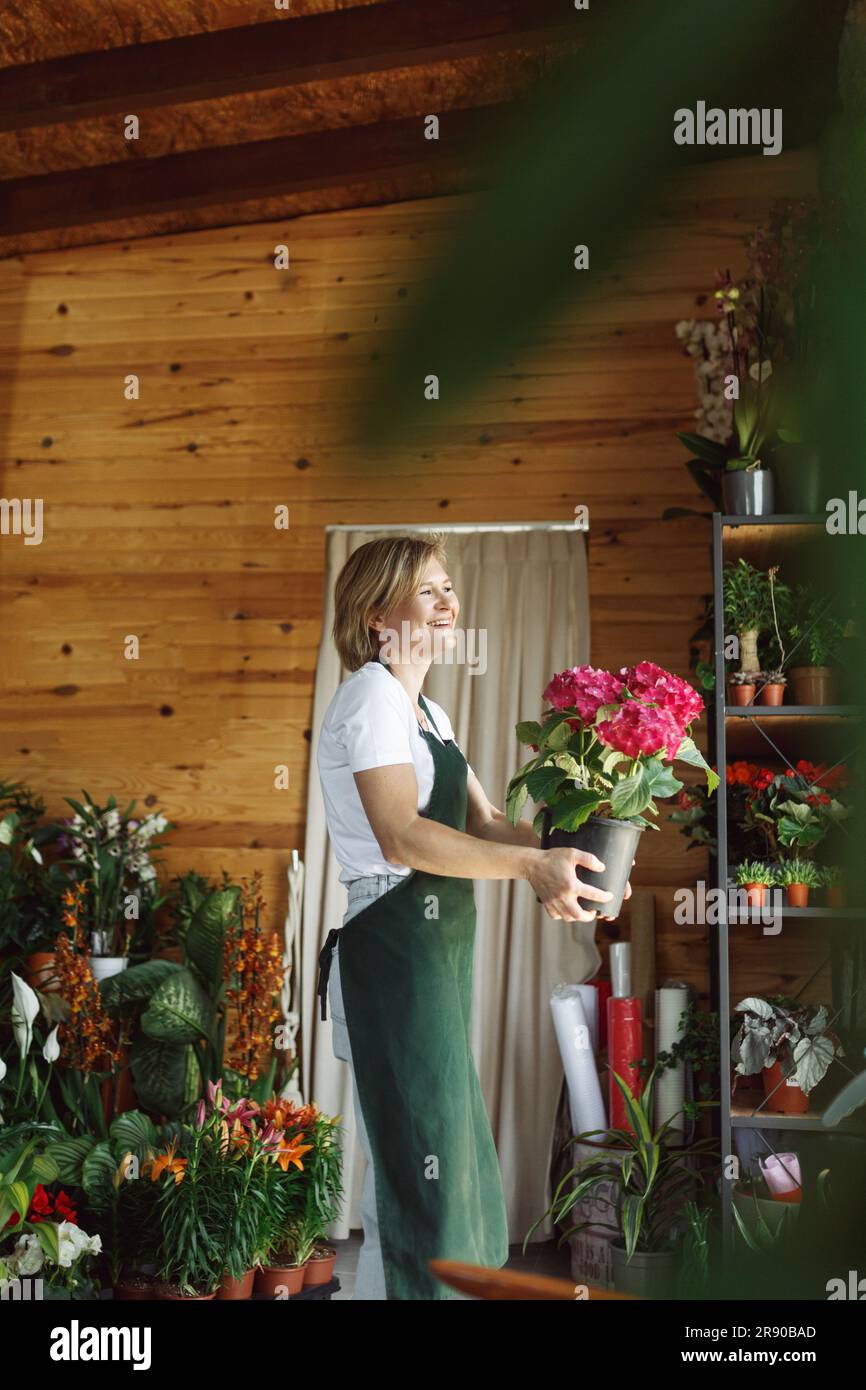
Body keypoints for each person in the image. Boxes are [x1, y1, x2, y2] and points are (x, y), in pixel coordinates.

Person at [315, 531, 626, 1299]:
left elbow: (484, 824)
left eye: (451, 587)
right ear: (378, 610)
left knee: (447, 1153)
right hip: (390, 949)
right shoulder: (369, 698)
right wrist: (530, 866)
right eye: (429, 589)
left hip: (435, 954)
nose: (450, 602)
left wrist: (578, 853)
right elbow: (403, 834)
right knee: (418, 1158)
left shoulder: (430, 712)